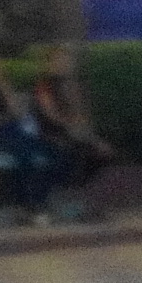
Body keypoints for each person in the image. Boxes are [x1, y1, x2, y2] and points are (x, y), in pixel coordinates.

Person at [0, 50, 61, 223]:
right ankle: (30, 204)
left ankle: (35, 201)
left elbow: (17, 111)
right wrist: (8, 118)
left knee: (50, 152)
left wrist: (4, 86)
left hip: (14, 134)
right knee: (25, 156)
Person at [31, 44, 114, 221]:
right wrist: (71, 123)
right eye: (58, 60)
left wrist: (89, 135)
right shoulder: (43, 85)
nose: (63, 64)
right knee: (75, 153)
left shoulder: (72, 85)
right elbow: (51, 115)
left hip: (73, 134)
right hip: (51, 134)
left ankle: (76, 197)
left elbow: (82, 114)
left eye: (66, 60)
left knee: (101, 154)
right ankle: (69, 202)